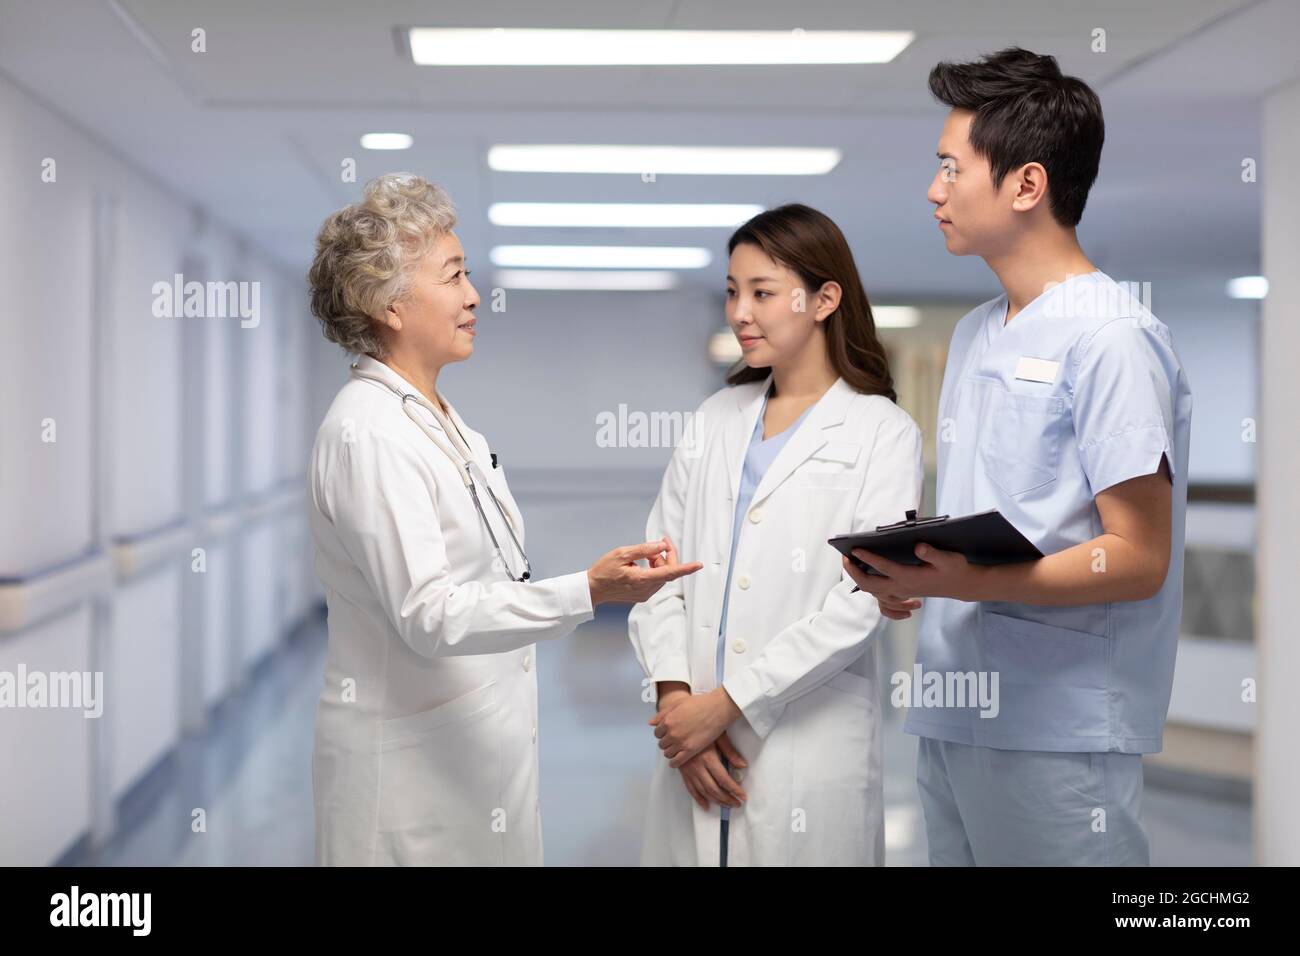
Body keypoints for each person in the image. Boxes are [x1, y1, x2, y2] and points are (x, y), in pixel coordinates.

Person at [843, 48, 1193, 866]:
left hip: (1057, 729)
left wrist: (969, 581)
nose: (934, 190)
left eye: (949, 168)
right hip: (952, 709)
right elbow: (1004, 514)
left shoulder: (1113, 338)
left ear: (1026, 185)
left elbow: (1138, 557)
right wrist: (915, 572)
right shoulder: (976, 332)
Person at [305, 173, 700, 866]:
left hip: (465, 761)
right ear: (390, 305)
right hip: (406, 786)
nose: (473, 295)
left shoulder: (432, 419)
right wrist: (588, 590)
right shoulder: (370, 433)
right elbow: (429, 613)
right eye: (453, 275)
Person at [630, 204, 924, 866]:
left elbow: (861, 605)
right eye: (733, 291)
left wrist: (726, 704)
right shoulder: (715, 418)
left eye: (762, 293)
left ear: (824, 299)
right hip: (693, 747)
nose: (739, 312)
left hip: (808, 750)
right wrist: (680, 704)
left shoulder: (881, 432)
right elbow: (658, 574)